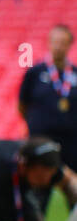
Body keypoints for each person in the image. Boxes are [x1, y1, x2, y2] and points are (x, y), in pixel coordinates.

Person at [19, 24, 77, 173]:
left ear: (70, 45)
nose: (58, 47)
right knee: (39, 175)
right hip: (41, 137)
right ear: (48, 43)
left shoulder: (75, 73)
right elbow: (22, 104)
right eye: (55, 42)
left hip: (71, 139)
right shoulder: (34, 72)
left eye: (62, 43)